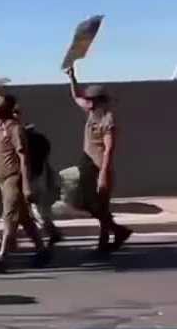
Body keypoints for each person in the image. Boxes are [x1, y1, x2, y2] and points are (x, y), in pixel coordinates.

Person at [66, 67, 132, 255]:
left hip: (101, 167)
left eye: (91, 100)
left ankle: (106, 242)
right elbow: (76, 97)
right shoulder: (91, 113)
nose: (87, 102)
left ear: (99, 101)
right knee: (84, 202)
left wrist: (103, 174)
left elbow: (109, 149)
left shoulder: (107, 120)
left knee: (100, 205)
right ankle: (118, 232)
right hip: (88, 164)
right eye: (88, 100)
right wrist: (72, 78)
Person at [0, 95, 52, 275]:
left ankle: (2, 258)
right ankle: (42, 250)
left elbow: (24, 158)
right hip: (2, 179)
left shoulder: (15, 129)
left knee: (9, 218)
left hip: (13, 178)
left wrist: (26, 185)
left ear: (5, 111)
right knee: (24, 218)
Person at [24, 123, 62, 246]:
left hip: (34, 178)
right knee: (39, 211)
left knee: (37, 211)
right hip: (39, 176)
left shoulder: (28, 143)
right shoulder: (41, 140)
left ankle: (52, 233)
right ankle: (52, 233)